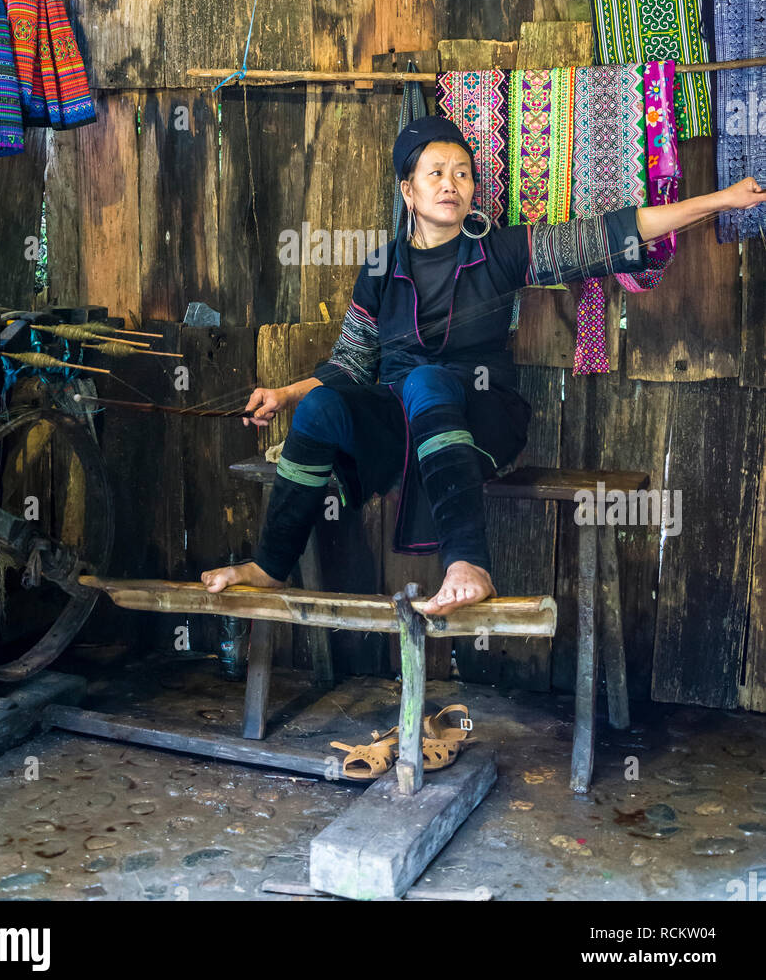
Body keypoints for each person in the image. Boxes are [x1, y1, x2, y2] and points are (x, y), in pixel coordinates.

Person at [202, 116, 766, 617]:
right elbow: (350, 364)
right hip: (403, 421)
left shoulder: (500, 251)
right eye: (435, 173)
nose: (452, 184)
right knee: (323, 406)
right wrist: (286, 393)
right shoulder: (381, 266)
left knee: (427, 380)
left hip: (482, 416)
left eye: (464, 174)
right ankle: (271, 563)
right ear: (408, 190)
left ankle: (468, 564)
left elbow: (611, 234)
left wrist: (719, 201)